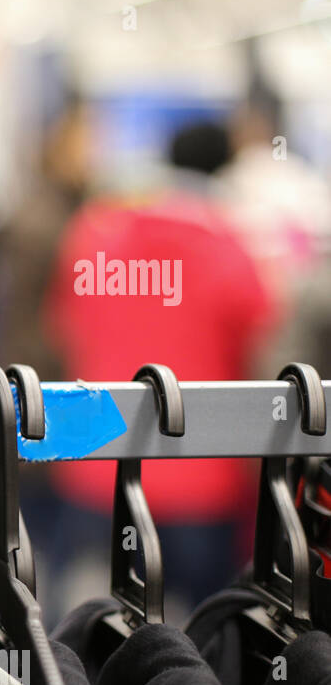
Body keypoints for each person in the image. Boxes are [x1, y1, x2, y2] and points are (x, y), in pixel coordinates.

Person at [36, 119, 280, 626]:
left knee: (80, 636)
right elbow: (260, 349)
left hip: (96, 462)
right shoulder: (233, 251)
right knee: (208, 639)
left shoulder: (94, 235)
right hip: (201, 476)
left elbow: (62, 329)